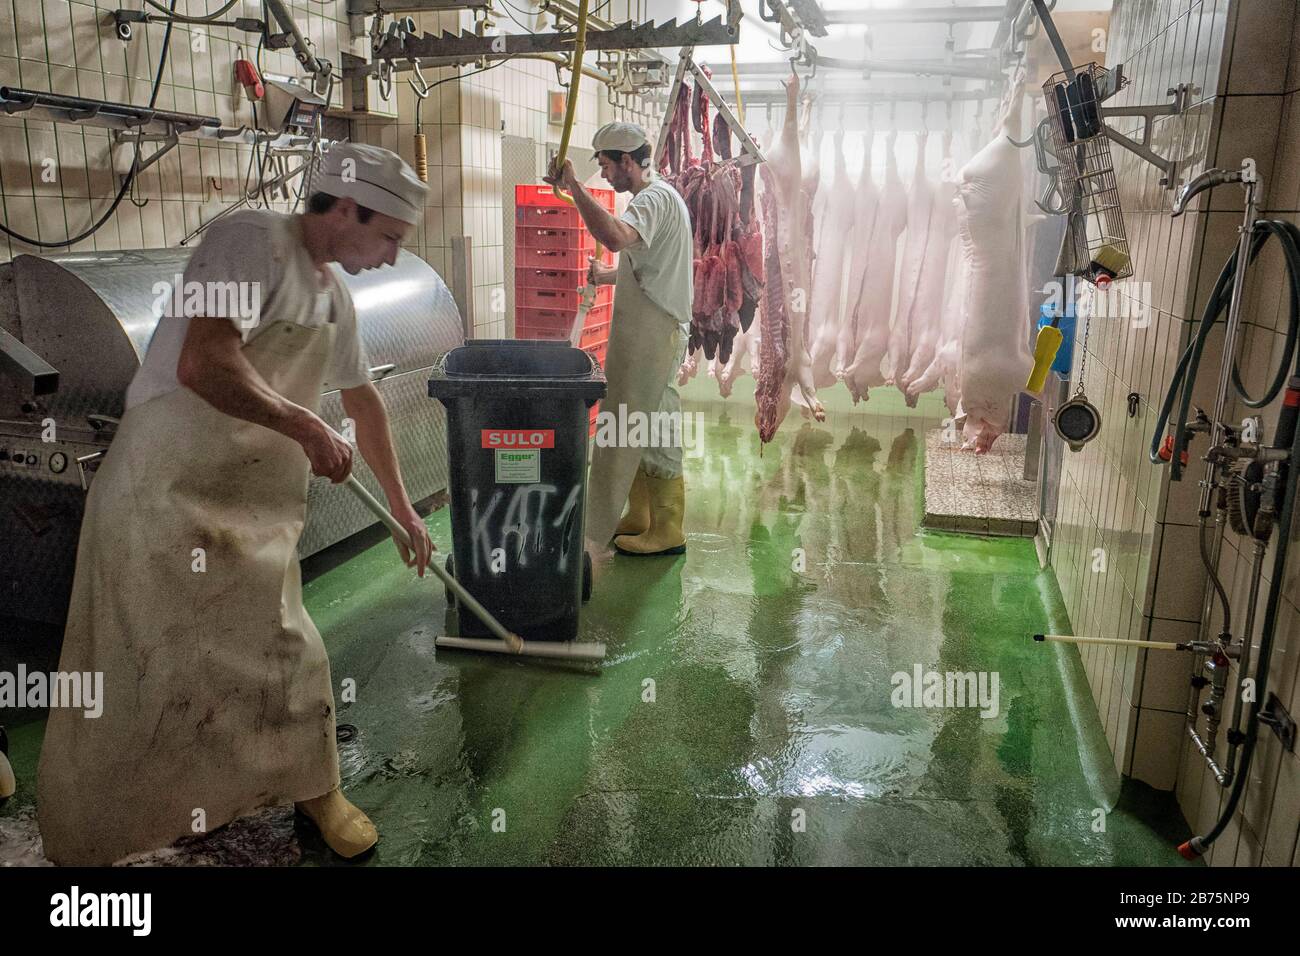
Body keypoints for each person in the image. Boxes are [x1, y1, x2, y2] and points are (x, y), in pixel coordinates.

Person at [36, 143, 434, 865]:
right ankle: (100, 832)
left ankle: (317, 790)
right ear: (347, 207)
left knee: (286, 651)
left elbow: (364, 403)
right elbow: (204, 359)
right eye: (389, 238)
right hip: (163, 498)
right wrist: (304, 425)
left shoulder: (332, 295)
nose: (390, 256)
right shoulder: (246, 242)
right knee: (147, 668)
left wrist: (407, 514)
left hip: (249, 514)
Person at [544, 122, 694, 557]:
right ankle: (642, 515)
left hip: (657, 332)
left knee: (656, 423)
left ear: (627, 161)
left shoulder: (654, 198)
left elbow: (615, 236)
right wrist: (610, 275)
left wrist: (573, 186)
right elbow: (650, 261)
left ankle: (669, 527)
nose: (605, 175)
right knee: (635, 424)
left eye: (606, 166)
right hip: (653, 328)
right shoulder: (661, 198)